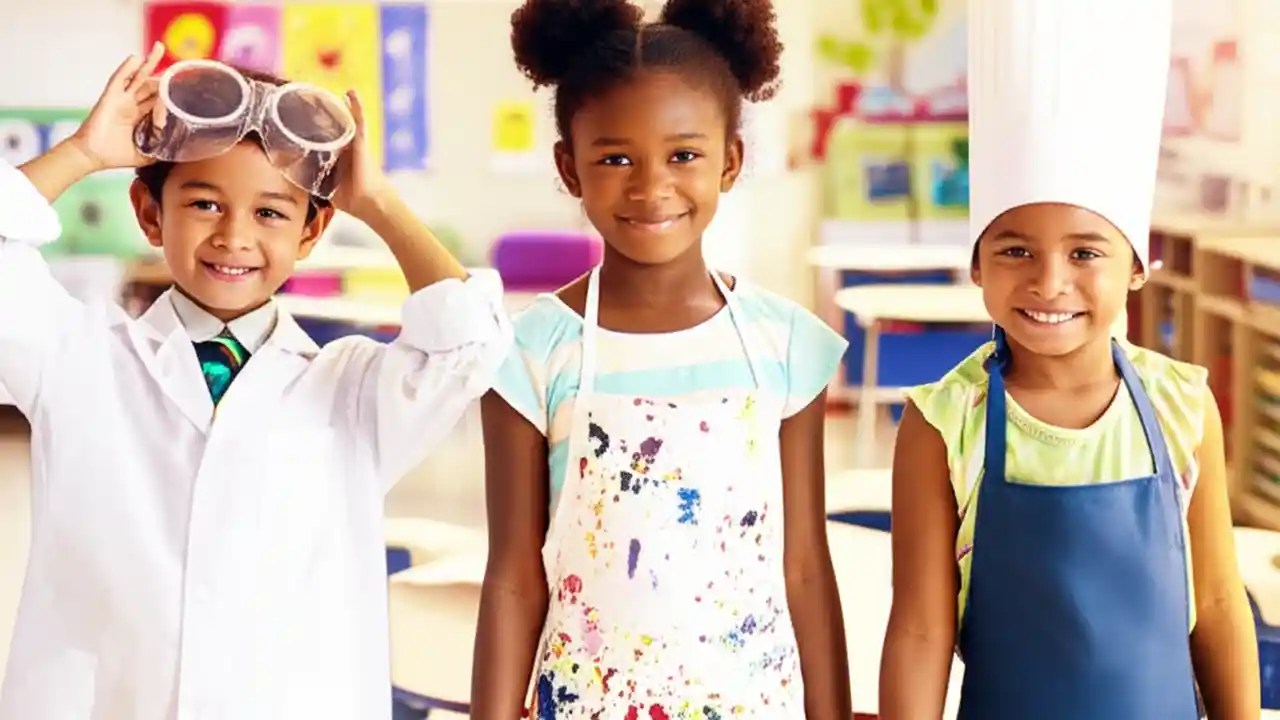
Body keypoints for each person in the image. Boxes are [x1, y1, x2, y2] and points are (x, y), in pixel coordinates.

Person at [0, 44, 510, 719]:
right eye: (205, 203)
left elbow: (468, 342)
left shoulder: (353, 389)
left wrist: (380, 202)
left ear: (312, 229)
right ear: (151, 214)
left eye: (270, 212)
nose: (234, 236)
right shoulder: (76, 354)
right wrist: (84, 152)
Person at [471, 0, 853, 717]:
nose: (651, 187)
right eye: (615, 157)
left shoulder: (785, 344)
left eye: (684, 155)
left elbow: (804, 566)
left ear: (731, 161)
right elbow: (514, 580)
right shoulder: (530, 352)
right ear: (568, 165)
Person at [879, 1, 1260, 718]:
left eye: (1086, 252)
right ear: (976, 266)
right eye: (1014, 249)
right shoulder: (941, 424)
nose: (1049, 282)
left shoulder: (1183, 405)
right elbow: (921, 626)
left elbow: (1214, 600)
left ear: (1139, 267)